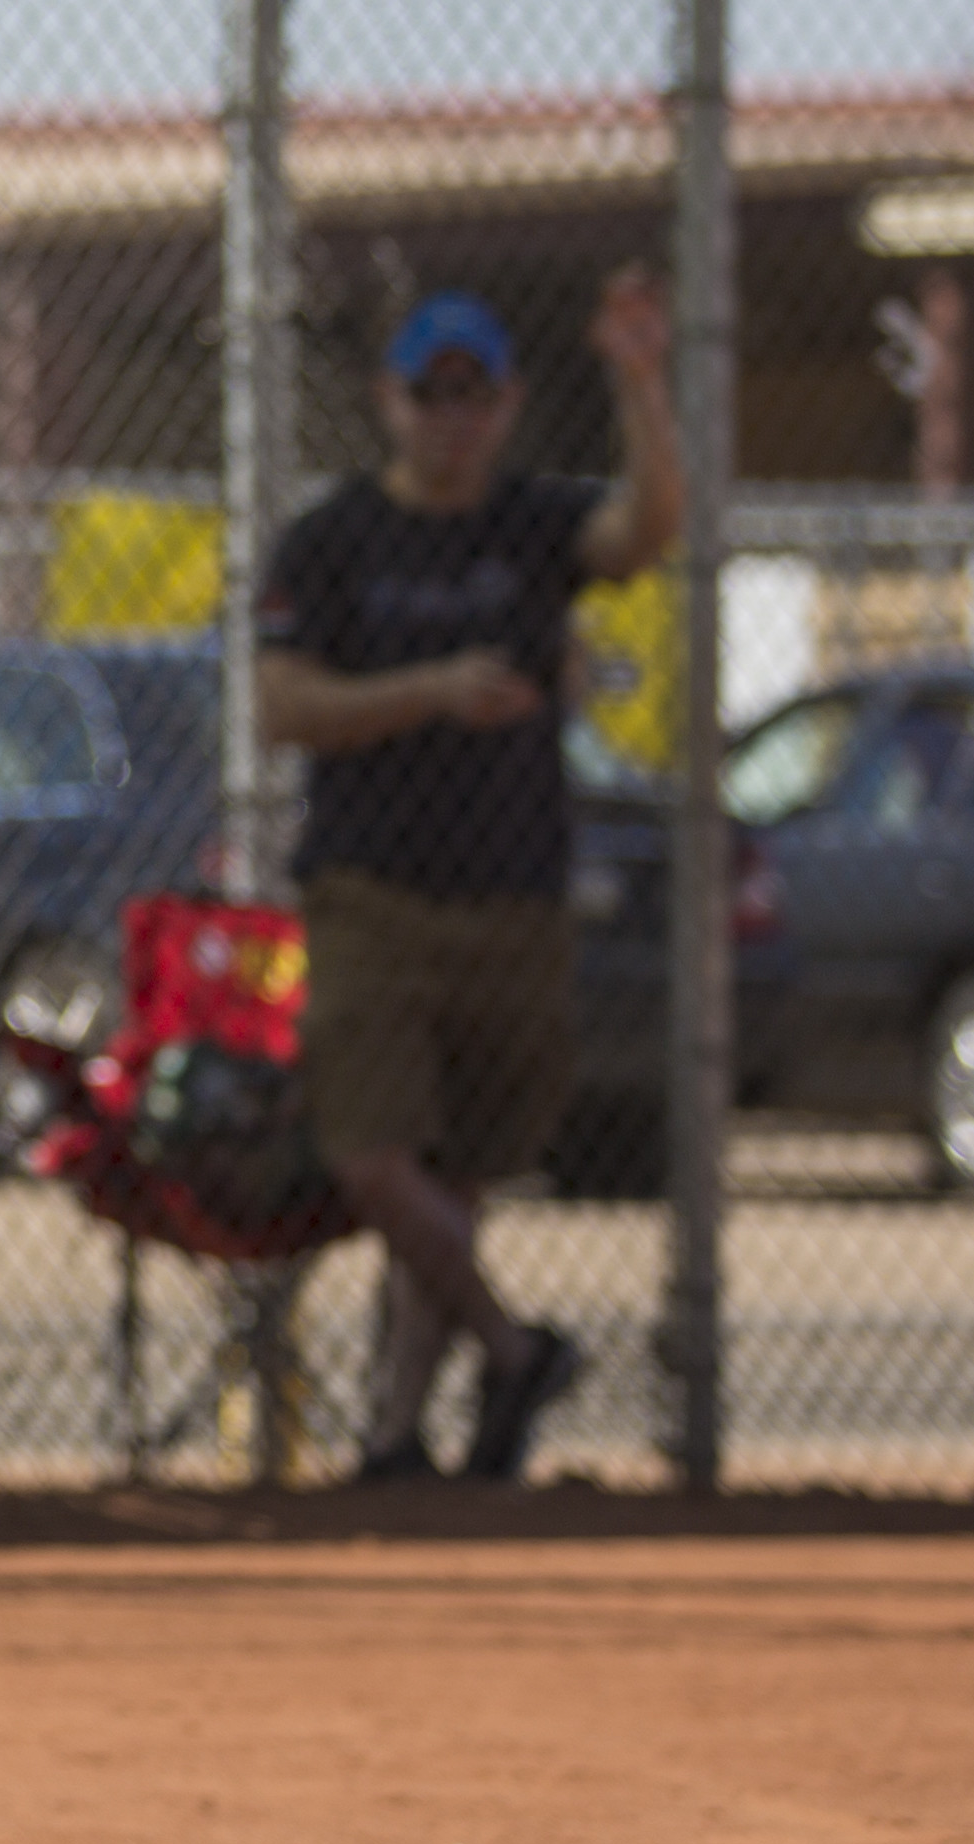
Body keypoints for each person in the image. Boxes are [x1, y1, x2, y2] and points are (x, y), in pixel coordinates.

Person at [253, 273, 681, 1484]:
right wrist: (429, 692)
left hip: (514, 888)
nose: (453, 418)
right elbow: (281, 706)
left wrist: (641, 380)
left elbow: (647, 531)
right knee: (370, 1156)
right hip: (373, 889)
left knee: (460, 1177)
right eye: (430, 395)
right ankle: (510, 1345)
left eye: (473, 397)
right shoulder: (333, 542)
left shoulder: (533, 525)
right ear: (391, 401)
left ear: (506, 405)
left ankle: (398, 1435)